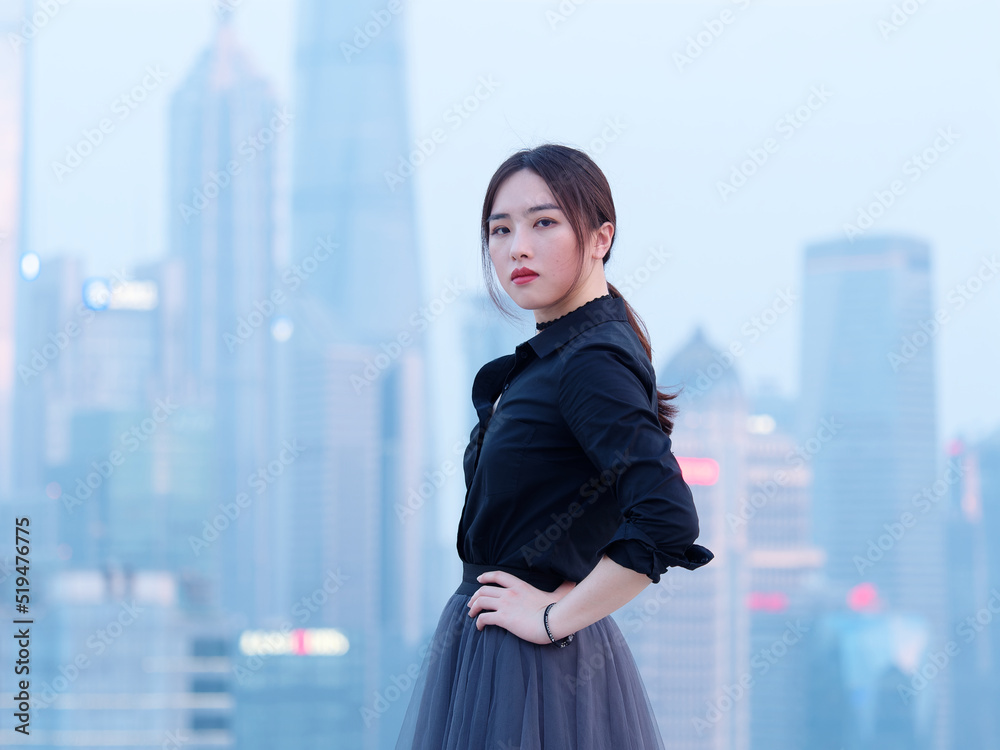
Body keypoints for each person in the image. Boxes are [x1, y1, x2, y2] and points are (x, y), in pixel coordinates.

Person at [394, 143, 714, 750]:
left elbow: (666, 517)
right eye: (500, 229)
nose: (517, 247)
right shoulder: (563, 356)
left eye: (543, 223)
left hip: (530, 667)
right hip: (510, 657)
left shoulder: (589, 361)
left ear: (599, 238)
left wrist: (550, 620)